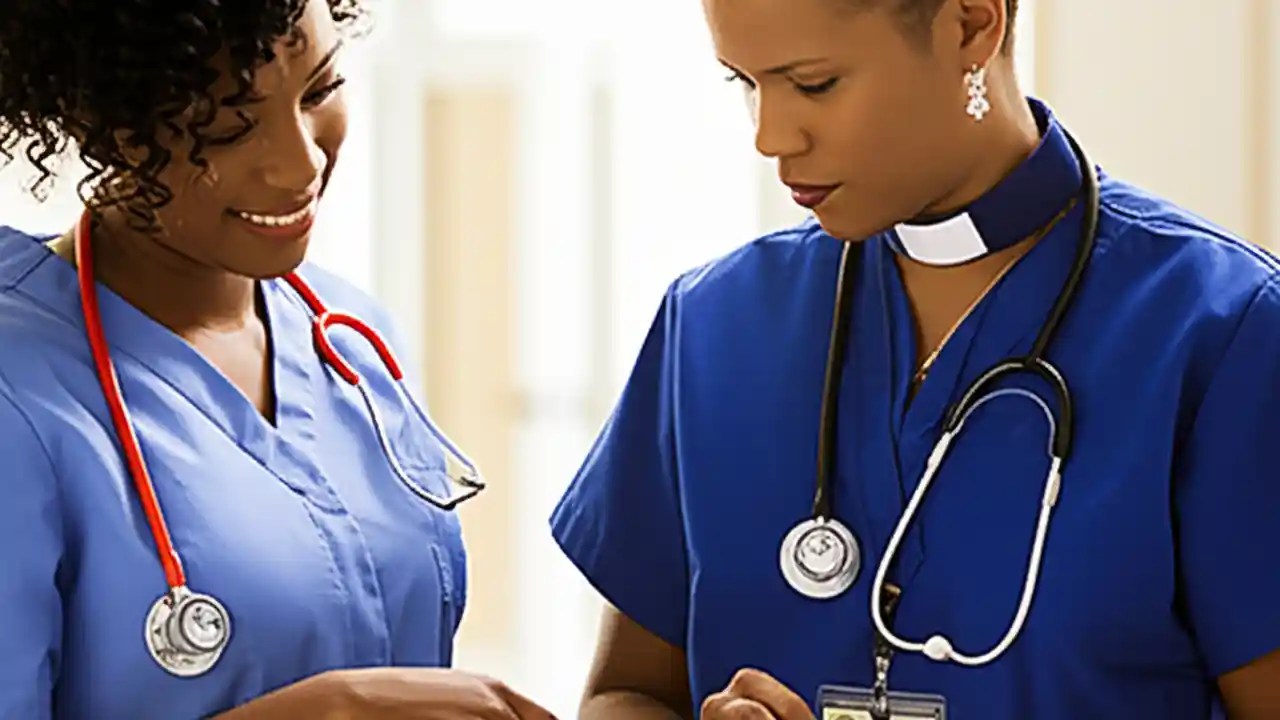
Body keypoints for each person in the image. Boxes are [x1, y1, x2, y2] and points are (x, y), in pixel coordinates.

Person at [549, 0, 1280, 718]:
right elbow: (629, 693)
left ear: (969, 23)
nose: (770, 138)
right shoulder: (711, 327)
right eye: (744, 83)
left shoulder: (1222, 334)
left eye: (813, 84)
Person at [0, 1, 555, 719]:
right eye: (229, 127)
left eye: (319, 90)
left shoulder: (348, 337)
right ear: (103, 122)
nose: (302, 163)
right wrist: (332, 708)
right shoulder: (23, 389)